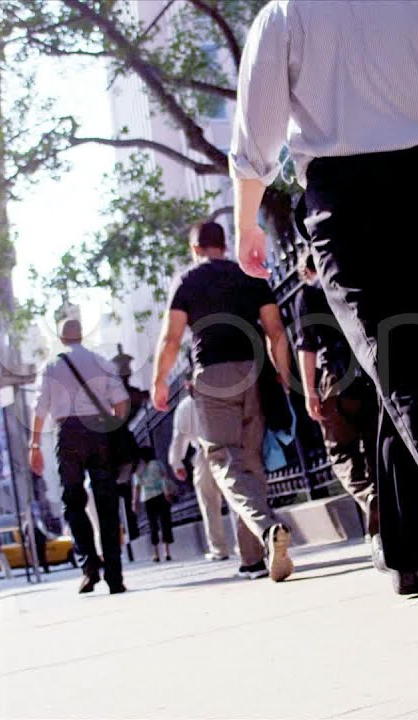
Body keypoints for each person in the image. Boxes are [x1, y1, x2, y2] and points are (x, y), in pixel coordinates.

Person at [230, 0, 418, 621]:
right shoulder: (414, 9)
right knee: (408, 367)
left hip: (348, 202)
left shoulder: (285, 15)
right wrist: (405, 136)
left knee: (408, 375)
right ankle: (401, 549)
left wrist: (246, 224)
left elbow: (255, 135)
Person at [152, 221, 295, 582]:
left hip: (213, 375)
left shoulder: (187, 281)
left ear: (196, 249)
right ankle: (253, 560)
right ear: (223, 244)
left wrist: (158, 381)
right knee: (251, 463)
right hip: (254, 372)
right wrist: (283, 373)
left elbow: (171, 338)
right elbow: (276, 330)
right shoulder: (250, 275)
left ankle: (266, 528)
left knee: (220, 460)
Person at [30, 317, 132, 594]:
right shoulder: (101, 362)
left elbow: (40, 408)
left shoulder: (51, 367)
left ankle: (89, 569)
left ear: (62, 339)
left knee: (73, 502)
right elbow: (121, 401)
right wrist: (114, 425)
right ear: (82, 336)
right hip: (99, 431)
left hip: (69, 433)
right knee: (106, 504)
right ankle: (115, 576)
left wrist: (35, 445)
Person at [293, 252, 382, 564]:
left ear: (306, 271)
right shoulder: (347, 281)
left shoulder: (306, 295)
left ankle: (366, 495)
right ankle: (384, 521)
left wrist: (308, 392)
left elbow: (306, 346)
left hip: (334, 378)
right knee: (375, 448)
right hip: (366, 373)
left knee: (341, 452)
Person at [168, 376, 267, 575]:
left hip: (203, 454)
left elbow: (179, 437)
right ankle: (244, 545)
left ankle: (218, 548)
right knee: (236, 498)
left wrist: (176, 462)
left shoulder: (185, 407)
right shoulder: (218, 398)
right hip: (227, 448)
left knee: (209, 504)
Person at [131, 447, 176, 562]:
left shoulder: (138, 469)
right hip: (161, 495)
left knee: (153, 525)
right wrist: (168, 493)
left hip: (147, 499)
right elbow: (165, 479)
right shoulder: (157, 464)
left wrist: (134, 502)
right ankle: (167, 552)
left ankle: (155, 553)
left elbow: (137, 487)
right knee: (165, 522)